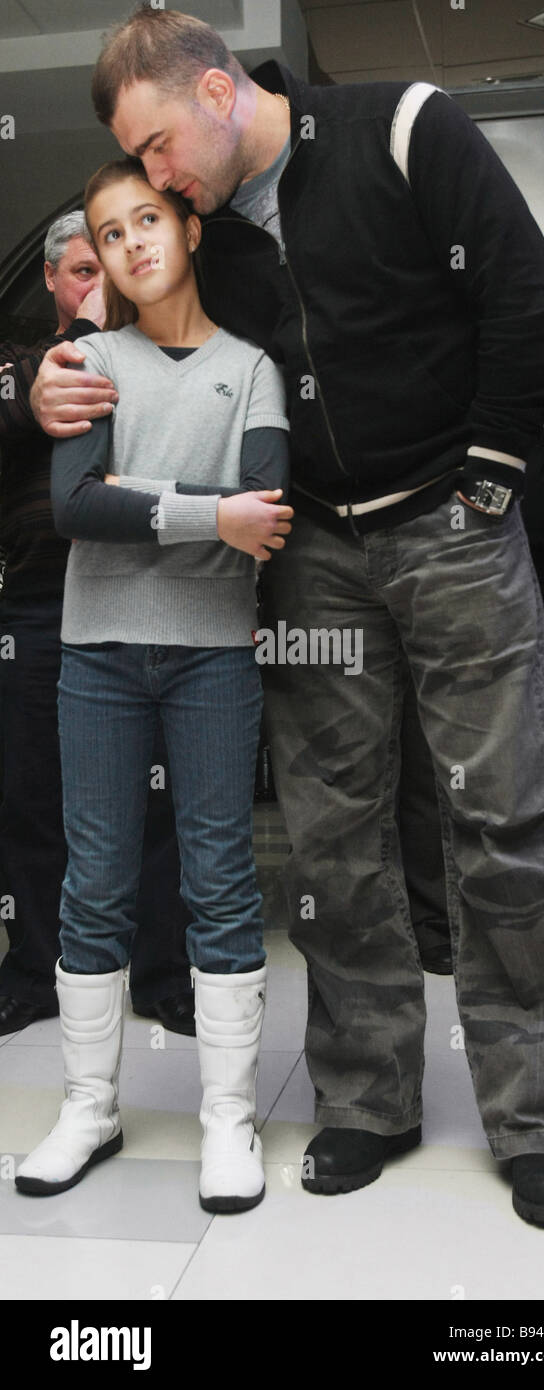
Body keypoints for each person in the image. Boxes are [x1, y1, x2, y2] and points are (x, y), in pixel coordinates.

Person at [30, 6, 544, 1229]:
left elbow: (525, 303)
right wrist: (49, 370)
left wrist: (489, 475)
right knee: (338, 836)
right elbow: (137, 324)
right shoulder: (207, 224)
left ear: (221, 91)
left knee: (502, 812)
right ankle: (365, 1098)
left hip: (452, 523)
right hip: (313, 553)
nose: (157, 178)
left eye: (162, 147)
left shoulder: (404, 127)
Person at [14, 157, 291, 1212]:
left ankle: (227, 1118)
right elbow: (78, 509)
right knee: (96, 880)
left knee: (219, 877)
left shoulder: (253, 369)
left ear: (190, 229)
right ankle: (91, 1105)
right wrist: (204, 513)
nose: (129, 243)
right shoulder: (84, 357)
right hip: (98, 653)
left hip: (212, 654)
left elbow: (262, 512)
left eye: (146, 219)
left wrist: (162, 498)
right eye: (107, 231)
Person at [0, 212, 196, 1038]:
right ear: (51, 279)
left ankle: (163, 970)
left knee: (157, 796)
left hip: (140, 598)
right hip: (39, 605)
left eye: (111, 271)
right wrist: (76, 342)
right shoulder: (15, 366)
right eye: (83, 271)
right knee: (31, 793)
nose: (99, 286)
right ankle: (36, 969)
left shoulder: (162, 360)